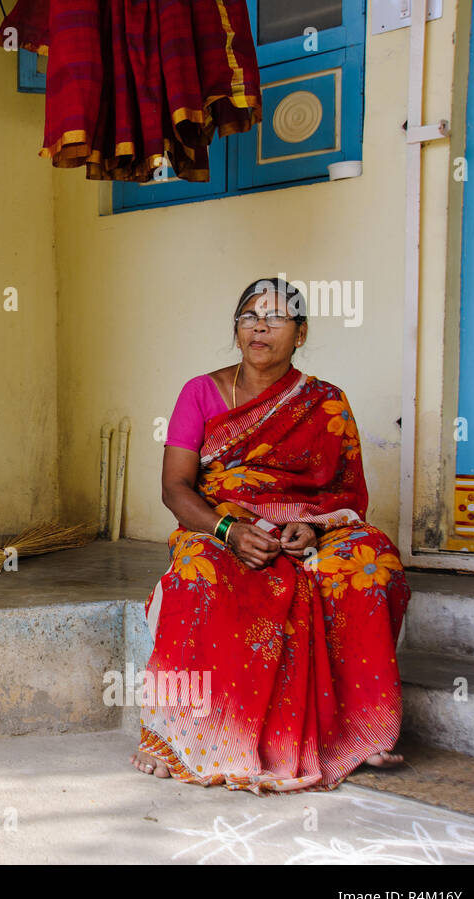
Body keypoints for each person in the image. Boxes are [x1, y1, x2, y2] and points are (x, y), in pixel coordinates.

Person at [131, 278, 411, 793]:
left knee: (372, 560)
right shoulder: (200, 392)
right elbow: (175, 488)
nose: (259, 326)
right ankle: (182, 735)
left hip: (309, 529)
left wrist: (316, 526)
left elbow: (347, 493)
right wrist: (228, 529)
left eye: (276, 317)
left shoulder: (326, 402)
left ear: (300, 334)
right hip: (220, 525)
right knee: (200, 576)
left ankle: (358, 730)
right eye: (248, 316)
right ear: (237, 330)